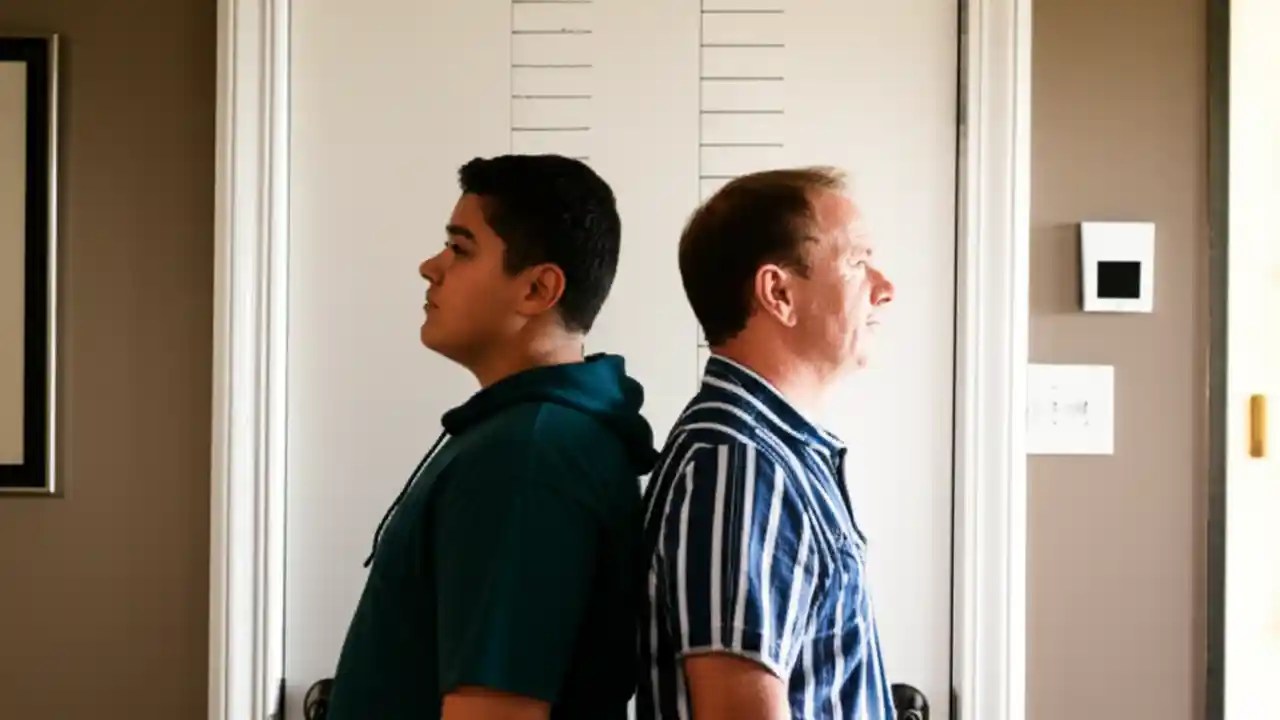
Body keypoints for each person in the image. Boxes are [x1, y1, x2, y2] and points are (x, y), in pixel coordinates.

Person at [328, 154, 657, 720]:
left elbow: (497, 711)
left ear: (537, 288)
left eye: (460, 248)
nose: (430, 267)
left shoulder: (529, 455)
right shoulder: (532, 436)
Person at [639, 168, 897, 719]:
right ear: (778, 292)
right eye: (857, 262)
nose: (885, 287)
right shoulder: (739, 465)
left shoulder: (772, 454)